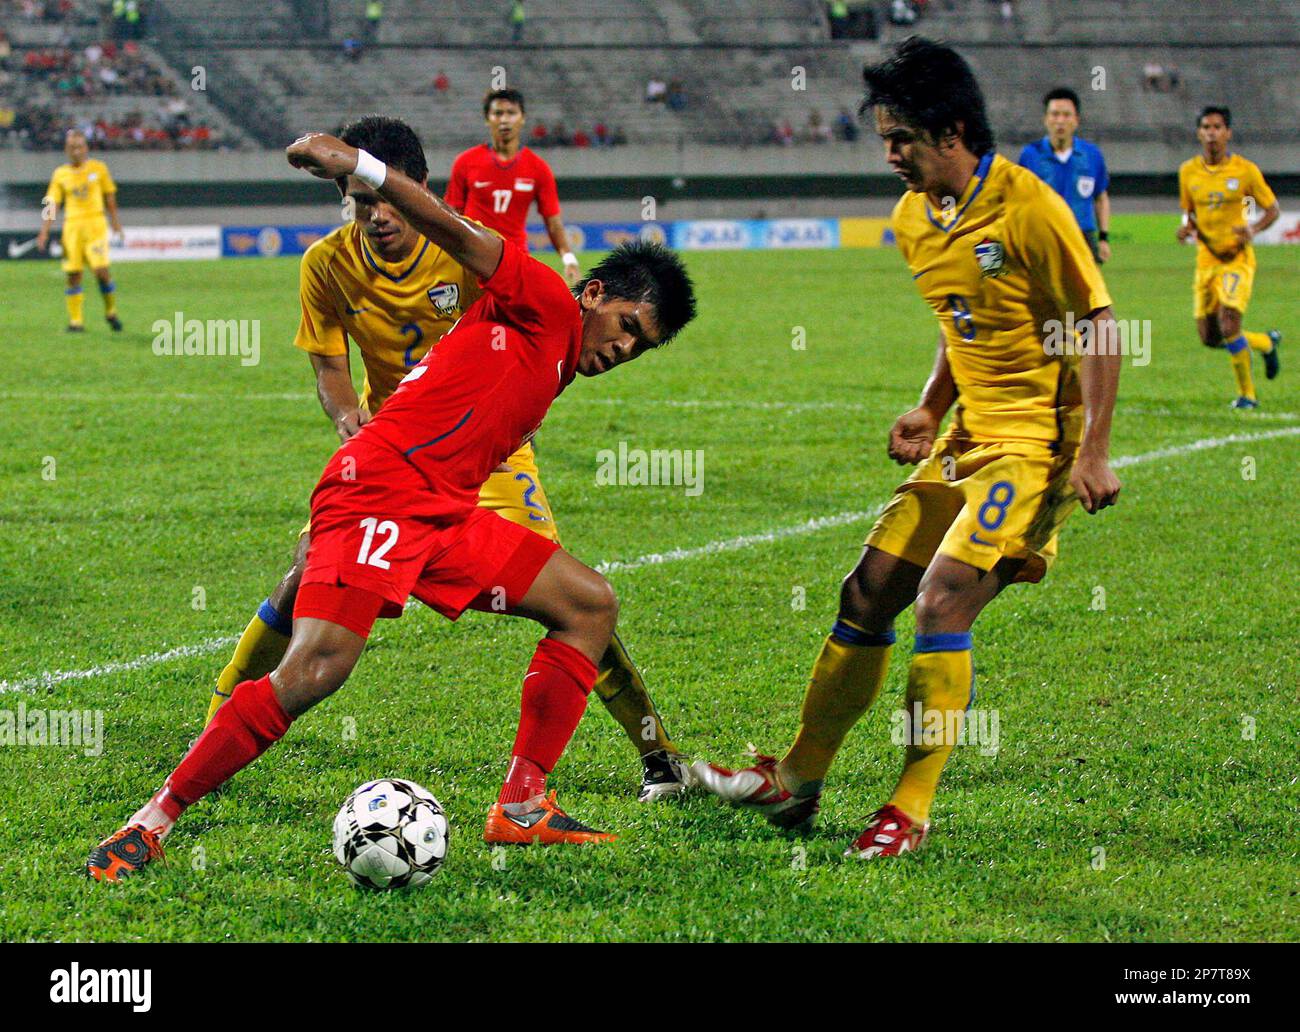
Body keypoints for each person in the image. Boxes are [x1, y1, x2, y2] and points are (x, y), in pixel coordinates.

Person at [86, 129, 698, 882]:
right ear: (596, 293)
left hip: (441, 510)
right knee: (316, 670)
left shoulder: (564, 354)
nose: (624, 349)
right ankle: (153, 821)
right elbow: (450, 226)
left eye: (642, 347)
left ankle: (524, 804)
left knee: (588, 604)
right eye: (628, 328)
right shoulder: (544, 296)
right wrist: (361, 168)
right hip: (379, 487)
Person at [692, 37, 1122, 858]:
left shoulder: (1029, 208)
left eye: (902, 140)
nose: (889, 155)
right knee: (867, 593)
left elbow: (1100, 325)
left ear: (953, 131)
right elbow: (957, 322)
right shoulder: (913, 217)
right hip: (964, 440)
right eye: (885, 138)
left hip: (1037, 444)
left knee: (944, 600)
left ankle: (910, 809)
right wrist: (931, 407)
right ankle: (800, 777)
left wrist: (1092, 452)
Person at [1177, 106, 1281, 409]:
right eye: (1206, 127)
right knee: (1209, 337)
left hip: (1236, 259)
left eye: (1218, 127)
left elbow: (1272, 209)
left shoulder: (1245, 170)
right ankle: (1265, 342)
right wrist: (1185, 230)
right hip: (1206, 261)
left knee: (1229, 322)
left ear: (1228, 133)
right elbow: (1190, 215)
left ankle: (1247, 395)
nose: (1212, 133)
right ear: (1199, 133)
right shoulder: (1187, 172)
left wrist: (1254, 228)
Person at [445, 89, 580, 285]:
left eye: (511, 113)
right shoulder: (465, 162)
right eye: (498, 113)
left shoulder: (538, 168)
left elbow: (553, 223)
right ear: (487, 119)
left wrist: (569, 258)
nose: (504, 120)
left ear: (522, 118)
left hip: (516, 262)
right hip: (472, 261)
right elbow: (451, 215)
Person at [36, 128, 123, 332]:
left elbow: (109, 196)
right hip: (72, 227)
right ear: (66, 150)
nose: (76, 151)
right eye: (72, 147)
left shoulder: (99, 168)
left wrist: (116, 222)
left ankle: (111, 311)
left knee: (101, 271)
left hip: (95, 225)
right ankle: (76, 321)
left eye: (80, 147)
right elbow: (52, 203)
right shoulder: (60, 173)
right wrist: (44, 231)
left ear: (86, 148)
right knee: (73, 274)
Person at [1017, 87, 1112, 263]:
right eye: (1054, 114)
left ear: (1076, 120)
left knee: (1087, 291)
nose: (1060, 121)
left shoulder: (1092, 154)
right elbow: (1019, 201)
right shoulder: (1030, 155)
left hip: (1082, 237)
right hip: (1044, 238)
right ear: (1045, 119)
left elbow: (1101, 197)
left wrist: (1103, 238)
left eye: (1066, 115)